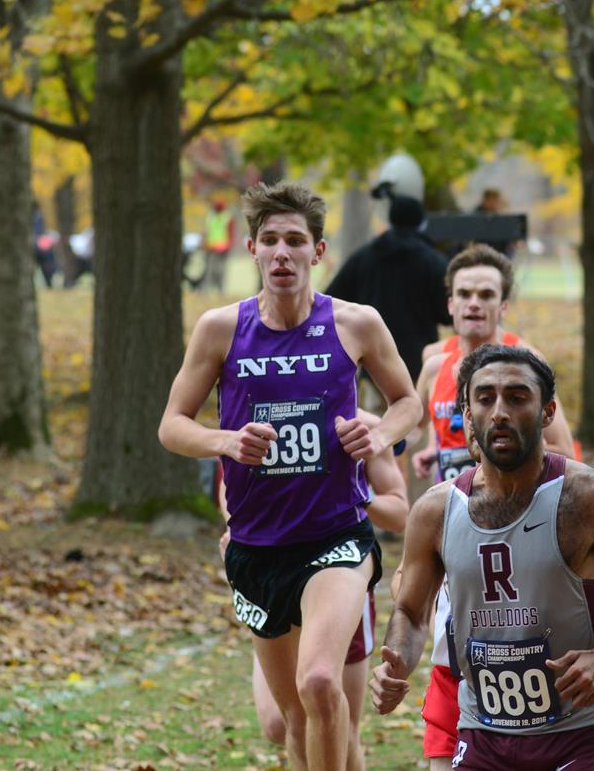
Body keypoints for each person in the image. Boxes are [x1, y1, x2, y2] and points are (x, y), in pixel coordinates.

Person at [157, 181, 423, 771]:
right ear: (250, 249)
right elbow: (172, 426)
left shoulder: (356, 324)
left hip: (336, 538)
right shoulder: (220, 329)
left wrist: (380, 433)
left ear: (318, 252)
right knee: (293, 723)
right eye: (270, 240)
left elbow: (409, 401)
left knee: (323, 682)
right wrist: (225, 440)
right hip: (256, 546)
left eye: (295, 241)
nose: (282, 253)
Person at [372, 345, 594, 771]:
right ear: (467, 414)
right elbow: (410, 611)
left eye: (517, 398)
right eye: (485, 399)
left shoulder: (591, 496)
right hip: (481, 728)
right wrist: (396, 663)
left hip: (581, 728)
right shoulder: (434, 511)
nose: (499, 411)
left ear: (547, 412)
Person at [224, 415, 409, 768]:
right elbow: (228, 489)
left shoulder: (361, 425)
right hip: (273, 577)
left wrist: (353, 495)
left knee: (338, 723)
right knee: (281, 724)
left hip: (341, 574)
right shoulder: (253, 410)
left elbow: (400, 512)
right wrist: (232, 529)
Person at [412, 244, 577, 485]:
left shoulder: (525, 361)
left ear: (503, 307)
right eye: (464, 294)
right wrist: (430, 449)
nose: (474, 303)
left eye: (486, 295)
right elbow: (420, 424)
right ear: (450, 304)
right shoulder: (435, 361)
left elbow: (564, 451)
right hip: (452, 503)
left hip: (510, 504)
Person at [327, 192, 452, 387]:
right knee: (414, 413)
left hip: (372, 367)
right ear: (421, 222)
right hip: (418, 368)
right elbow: (448, 313)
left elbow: (331, 302)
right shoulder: (433, 262)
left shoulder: (363, 257)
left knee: (372, 417)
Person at [204, 196, 237, 294]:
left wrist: (229, 245)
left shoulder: (227, 217)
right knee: (210, 269)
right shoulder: (211, 216)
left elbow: (231, 233)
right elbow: (207, 231)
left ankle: (220, 290)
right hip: (211, 247)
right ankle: (209, 289)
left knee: (220, 269)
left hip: (223, 248)